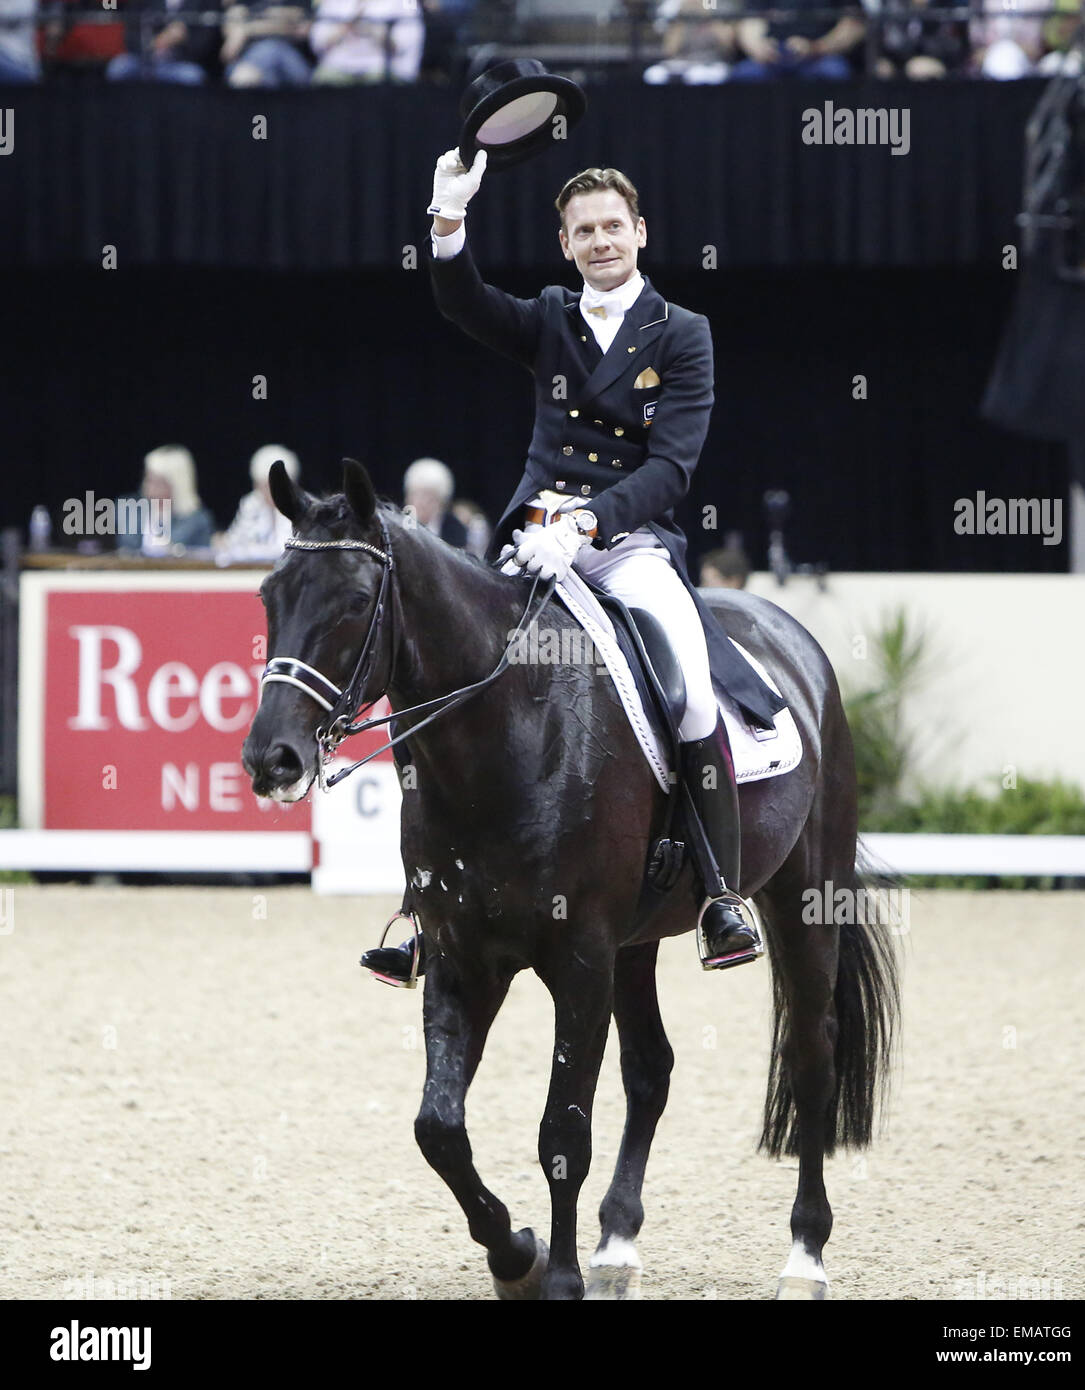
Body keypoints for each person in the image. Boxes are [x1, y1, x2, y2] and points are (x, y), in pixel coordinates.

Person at [362, 147, 787, 987]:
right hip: (533, 535)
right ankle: (421, 902)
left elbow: (671, 468)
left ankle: (718, 895)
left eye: (612, 227)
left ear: (639, 232)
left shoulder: (683, 333)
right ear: (565, 244)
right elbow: (463, 302)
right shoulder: (551, 317)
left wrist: (588, 522)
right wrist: (448, 219)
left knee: (689, 693)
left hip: (627, 543)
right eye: (584, 231)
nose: (600, 241)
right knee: (444, 677)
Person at [729, 0, 865, 81]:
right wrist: (759, 48)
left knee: (835, 71)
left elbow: (854, 25)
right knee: (744, 74)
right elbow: (750, 21)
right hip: (772, 59)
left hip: (820, 57)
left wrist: (816, 48)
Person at [117, 444, 215, 553]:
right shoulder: (132, 509)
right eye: (148, 479)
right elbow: (124, 549)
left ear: (177, 484)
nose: (149, 486)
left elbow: (199, 557)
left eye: (158, 482)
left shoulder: (196, 520)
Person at [215, 445, 302, 559]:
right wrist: (224, 541)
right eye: (265, 486)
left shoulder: (301, 507)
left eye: (276, 486)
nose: (271, 492)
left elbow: (285, 549)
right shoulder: (251, 503)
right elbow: (234, 542)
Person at [105, 0, 220, 84]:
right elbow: (130, 36)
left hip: (181, 62)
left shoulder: (205, 2)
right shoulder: (142, 2)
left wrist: (182, 39)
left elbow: (207, 43)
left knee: (192, 76)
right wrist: (155, 43)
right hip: (144, 59)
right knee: (118, 67)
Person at [402, 455, 467, 547]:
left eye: (428, 496)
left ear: (442, 502)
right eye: (415, 494)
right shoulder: (397, 525)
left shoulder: (456, 530)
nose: (422, 502)